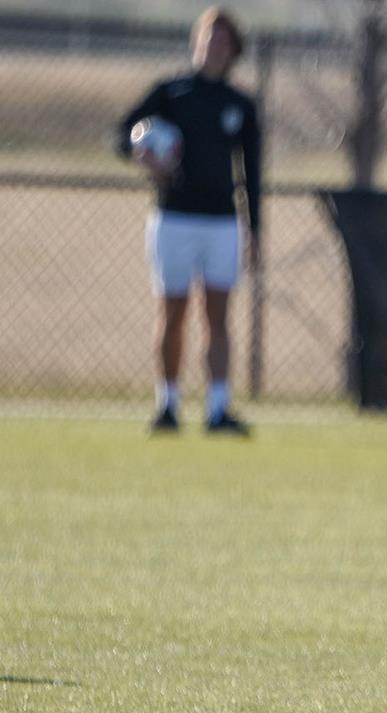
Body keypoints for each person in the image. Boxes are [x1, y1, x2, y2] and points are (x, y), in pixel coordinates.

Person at [116, 6, 260, 436]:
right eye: (206, 37)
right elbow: (123, 134)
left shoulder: (239, 105)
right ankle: (168, 406)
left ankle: (218, 410)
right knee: (172, 313)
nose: (212, 46)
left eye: (221, 39)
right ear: (196, 42)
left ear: (232, 49)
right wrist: (141, 153)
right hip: (173, 217)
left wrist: (255, 227)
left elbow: (252, 170)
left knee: (218, 317)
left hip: (220, 223)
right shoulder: (170, 92)